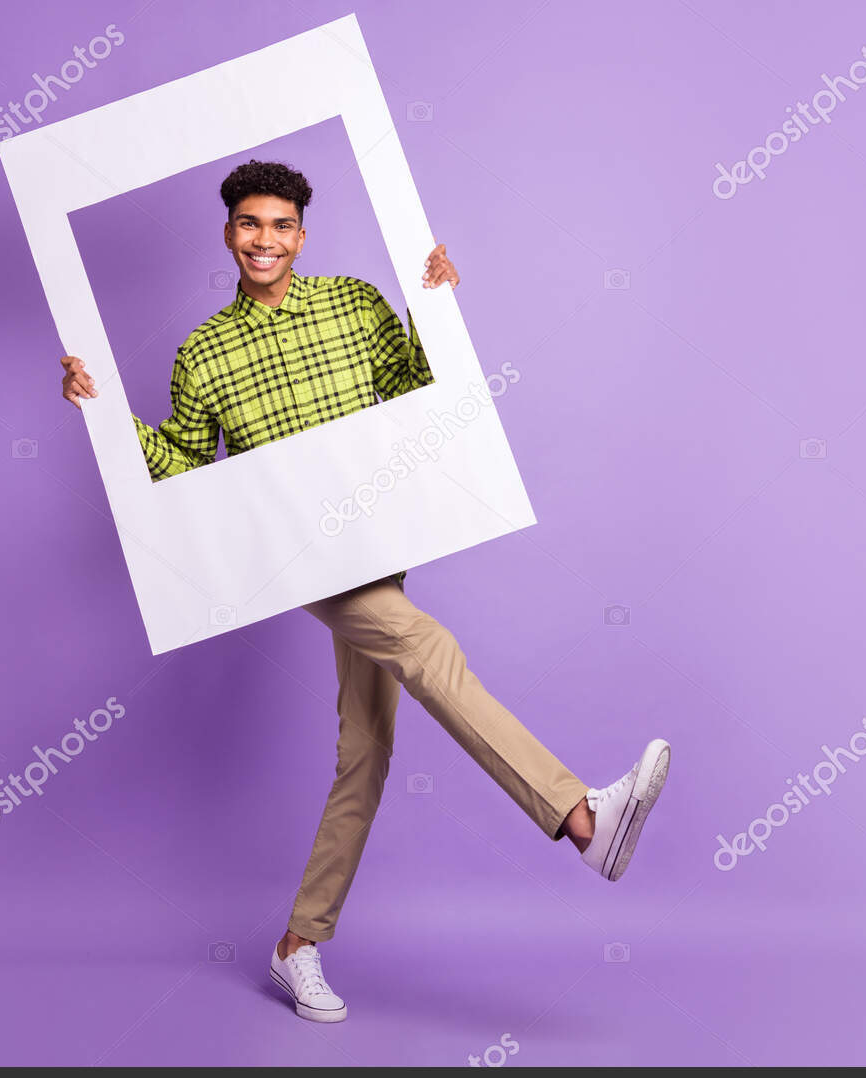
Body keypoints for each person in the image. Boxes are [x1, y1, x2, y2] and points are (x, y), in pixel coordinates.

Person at [60, 160, 672, 1024]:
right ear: (227, 233)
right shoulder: (201, 351)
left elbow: (422, 388)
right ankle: (580, 817)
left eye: (279, 225)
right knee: (427, 647)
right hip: (293, 551)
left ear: (300, 235)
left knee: (366, 752)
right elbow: (191, 469)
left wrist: (439, 310)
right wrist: (103, 418)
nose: (263, 239)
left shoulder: (353, 301)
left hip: (378, 539)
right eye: (247, 224)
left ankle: (295, 946)